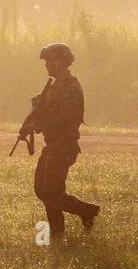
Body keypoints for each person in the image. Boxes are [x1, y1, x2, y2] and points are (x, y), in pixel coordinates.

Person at [21, 43, 100, 243]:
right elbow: (46, 113)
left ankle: (57, 237)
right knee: (42, 190)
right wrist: (32, 118)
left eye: (50, 60)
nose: (46, 64)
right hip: (53, 145)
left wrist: (37, 124)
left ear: (63, 61)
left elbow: (63, 118)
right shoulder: (54, 86)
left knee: (51, 192)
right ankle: (86, 211)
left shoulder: (71, 87)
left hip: (63, 145)